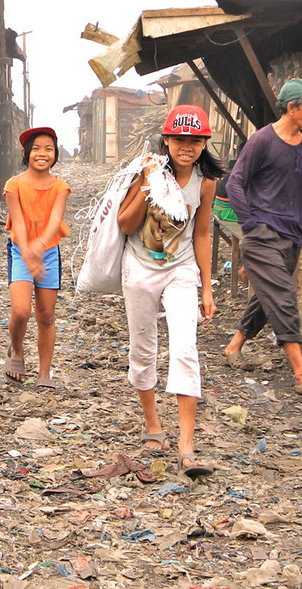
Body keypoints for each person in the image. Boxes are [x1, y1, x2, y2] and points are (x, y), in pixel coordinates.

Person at [117, 105, 225, 478]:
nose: (187, 147)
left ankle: (186, 445)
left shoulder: (205, 182)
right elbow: (125, 222)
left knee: (185, 348)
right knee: (143, 349)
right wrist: (149, 187)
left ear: (203, 144)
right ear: (166, 140)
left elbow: (202, 233)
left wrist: (207, 288)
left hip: (181, 270)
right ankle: (152, 425)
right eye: (180, 139)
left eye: (195, 140)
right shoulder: (147, 172)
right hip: (140, 269)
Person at [222, 78, 302, 397]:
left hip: (291, 234)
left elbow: (294, 187)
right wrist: (251, 229)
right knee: (284, 297)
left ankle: (234, 347)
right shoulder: (262, 141)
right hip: (262, 233)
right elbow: (234, 184)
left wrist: (298, 226)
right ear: (292, 107)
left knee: (268, 295)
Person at [3, 126, 70, 388]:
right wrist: (29, 252)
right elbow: (17, 223)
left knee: (46, 314)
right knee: (21, 311)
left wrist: (40, 248)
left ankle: (44, 373)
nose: (42, 154)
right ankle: (17, 351)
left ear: (55, 154)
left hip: (49, 252)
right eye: (37, 148)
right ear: (26, 152)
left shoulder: (60, 187)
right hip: (20, 251)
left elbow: (55, 222)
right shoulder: (14, 184)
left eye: (49, 149)